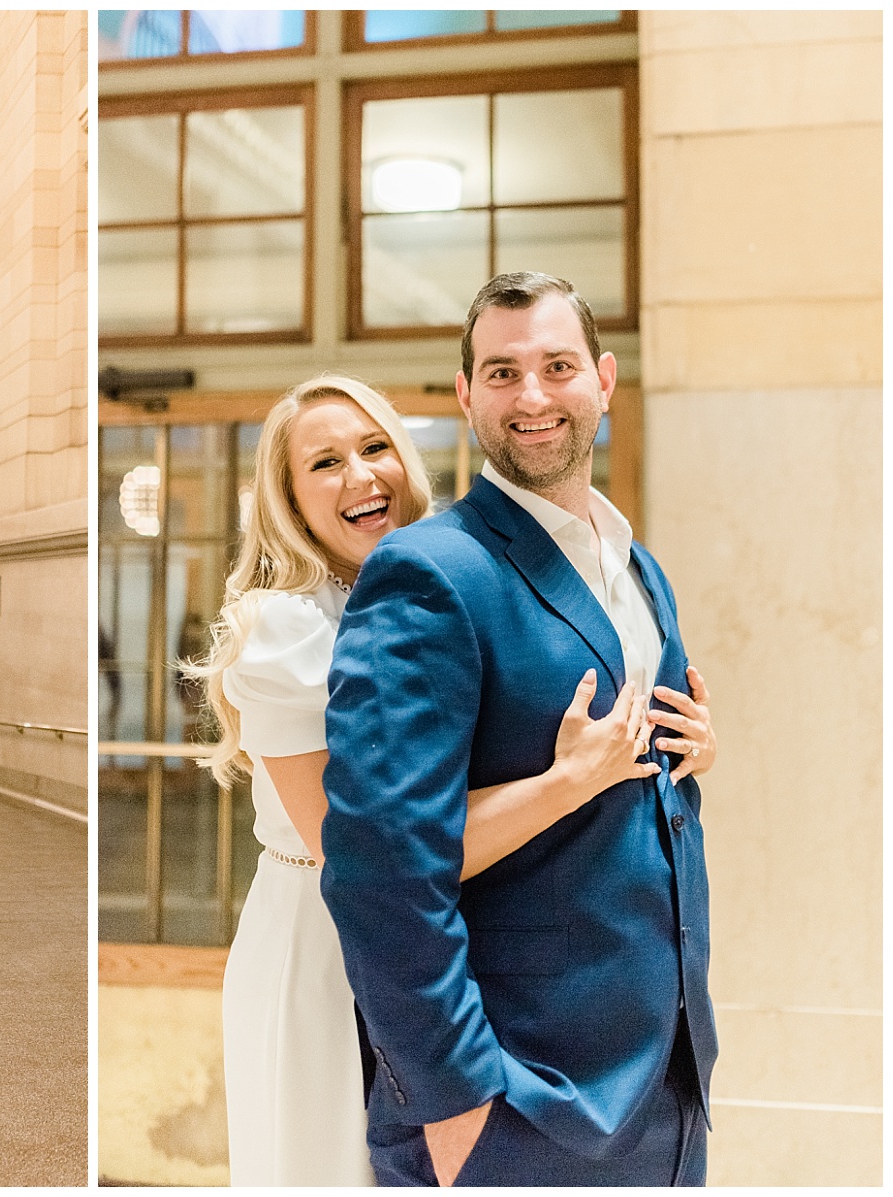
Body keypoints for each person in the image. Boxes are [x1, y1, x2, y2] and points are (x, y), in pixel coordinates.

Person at [189, 375, 665, 1186]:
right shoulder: (288, 629)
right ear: (291, 501)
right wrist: (568, 781)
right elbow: (362, 853)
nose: (361, 476)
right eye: (325, 463)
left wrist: (682, 749)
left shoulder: (453, 588)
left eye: (375, 447)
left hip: (455, 936)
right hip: (327, 942)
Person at [322, 273, 719, 1186]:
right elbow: (380, 866)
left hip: (665, 1085)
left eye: (556, 366)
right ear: (466, 394)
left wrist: (696, 751)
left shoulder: (637, 568)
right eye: (501, 372)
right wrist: (458, 1103)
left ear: (604, 380)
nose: (532, 396)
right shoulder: (428, 572)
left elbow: (640, 766)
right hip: (518, 1101)